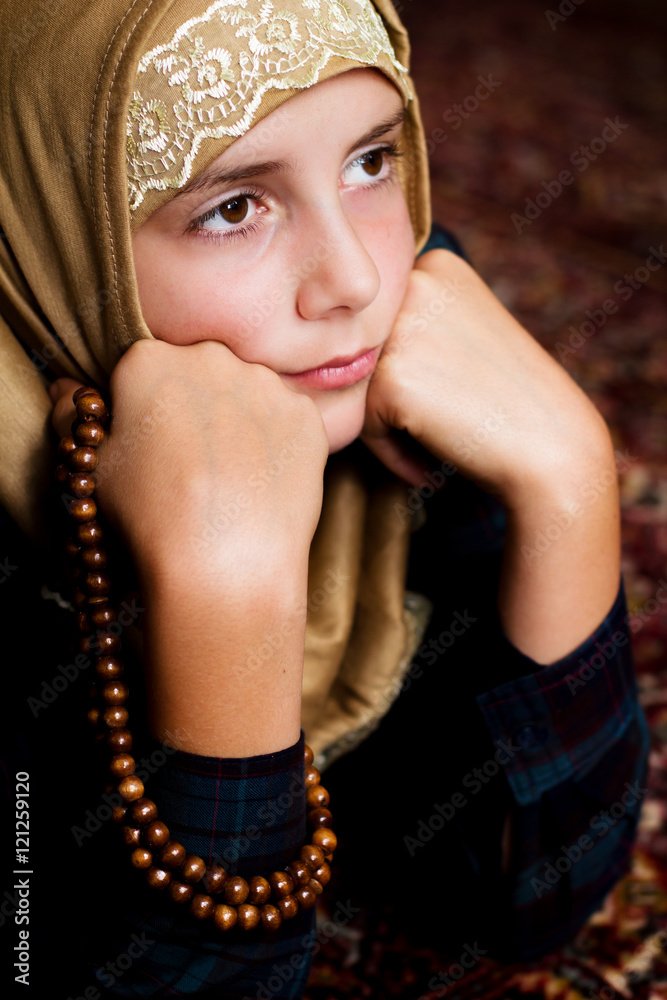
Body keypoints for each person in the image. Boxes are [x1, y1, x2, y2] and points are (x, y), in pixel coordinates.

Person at [0, 0, 649, 997]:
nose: (353, 278)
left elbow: (527, 895)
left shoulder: (381, 366)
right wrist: (226, 602)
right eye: (232, 207)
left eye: (372, 162)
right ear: (48, 239)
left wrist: (568, 479)